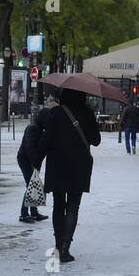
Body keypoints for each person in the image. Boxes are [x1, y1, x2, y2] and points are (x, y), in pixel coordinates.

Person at [42, 88, 101, 262]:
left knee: (58, 205)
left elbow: (46, 140)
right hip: (79, 166)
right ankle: (65, 248)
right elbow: (96, 141)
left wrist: (35, 158)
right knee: (73, 206)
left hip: (57, 164)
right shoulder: (87, 113)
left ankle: (58, 245)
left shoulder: (55, 113)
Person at [16, 105, 53, 223]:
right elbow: (29, 148)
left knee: (33, 184)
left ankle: (33, 212)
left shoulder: (38, 129)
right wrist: (34, 163)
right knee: (30, 185)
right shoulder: (33, 129)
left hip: (31, 161)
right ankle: (24, 213)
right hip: (26, 160)